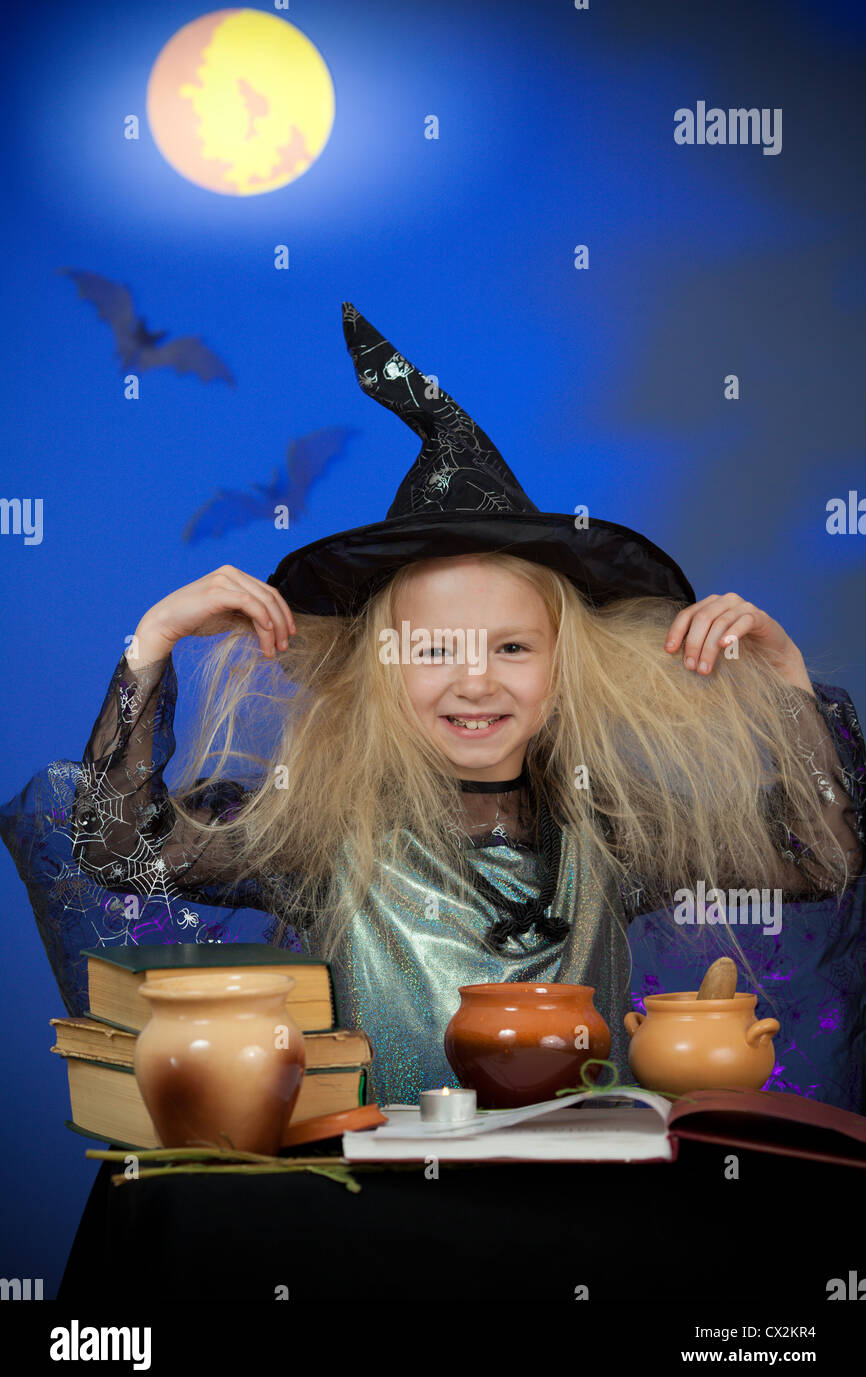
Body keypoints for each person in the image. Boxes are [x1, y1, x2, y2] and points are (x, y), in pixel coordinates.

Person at [2, 304, 864, 1111]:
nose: (476, 681)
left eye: (513, 648)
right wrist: (152, 643)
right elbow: (119, 855)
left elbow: (820, 861)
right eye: (432, 650)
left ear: (566, 670)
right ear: (381, 669)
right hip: (380, 1214)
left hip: (584, 1198)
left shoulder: (616, 833)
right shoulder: (322, 831)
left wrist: (784, 678)